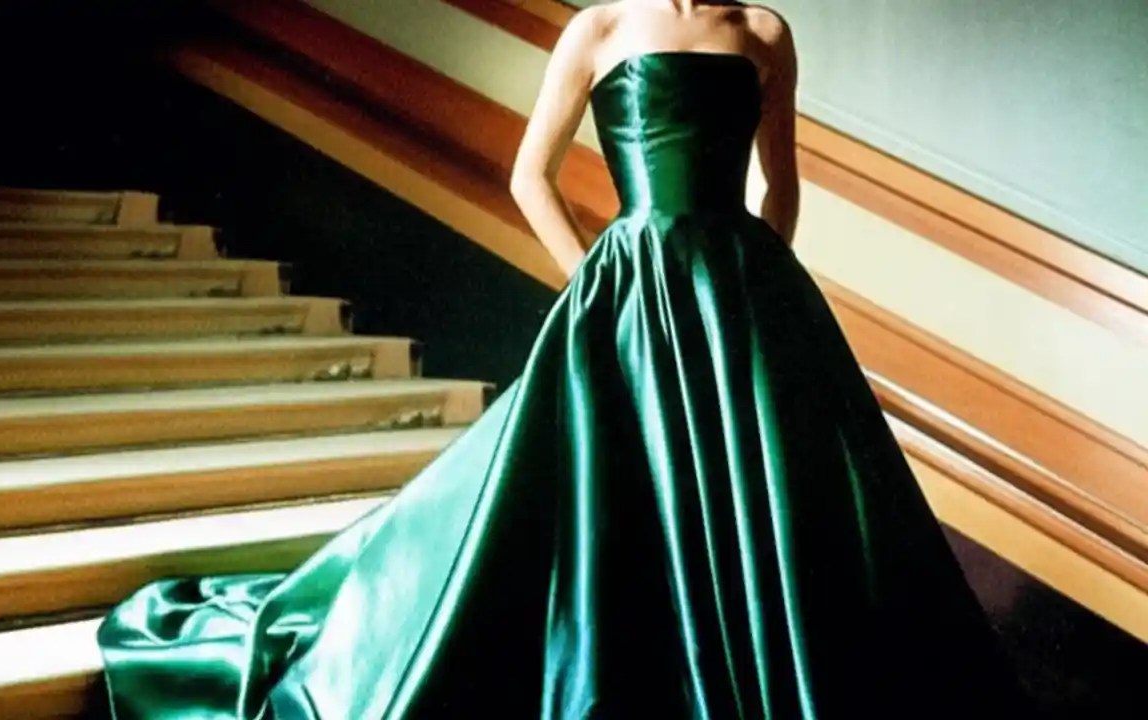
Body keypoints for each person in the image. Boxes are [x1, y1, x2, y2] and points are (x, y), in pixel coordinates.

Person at [97, 1, 1034, 717]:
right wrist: (596, 276)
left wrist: (761, 284)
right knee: (621, 492)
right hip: (631, 291)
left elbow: (777, 185)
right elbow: (527, 175)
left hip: (744, 295)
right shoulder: (598, 27)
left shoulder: (763, 29)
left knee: (765, 507)